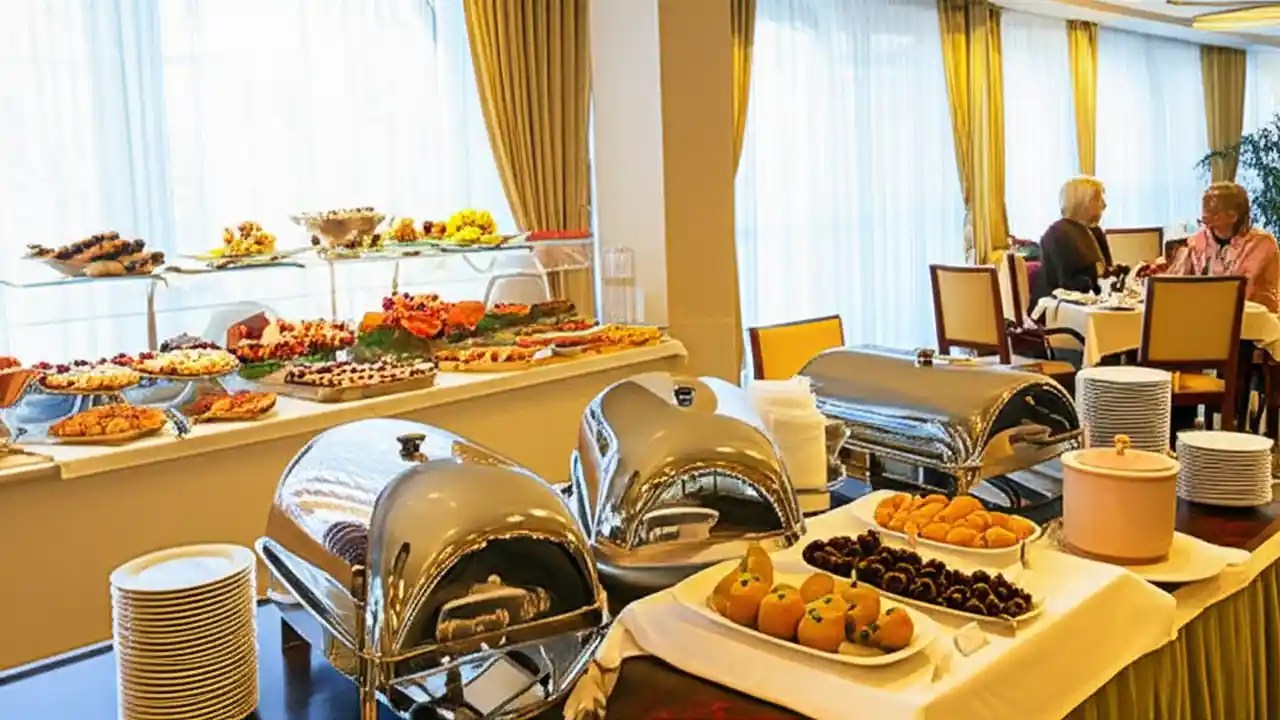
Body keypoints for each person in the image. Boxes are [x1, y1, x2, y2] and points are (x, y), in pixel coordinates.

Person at [1164, 182, 1280, 312]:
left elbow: (1245, 291)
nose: (1204, 217)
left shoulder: (1262, 244)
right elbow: (1175, 284)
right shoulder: (1196, 243)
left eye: (1213, 212)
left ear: (1233, 216)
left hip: (1255, 321)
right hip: (1206, 317)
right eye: (1205, 210)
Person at [1028, 176, 1113, 311]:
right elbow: (1066, 283)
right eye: (1097, 199)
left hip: (1093, 304)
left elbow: (1106, 273)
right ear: (1081, 202)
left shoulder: (1096, 232)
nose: (1104, 205)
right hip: (1060, 310)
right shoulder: (1058, 233)